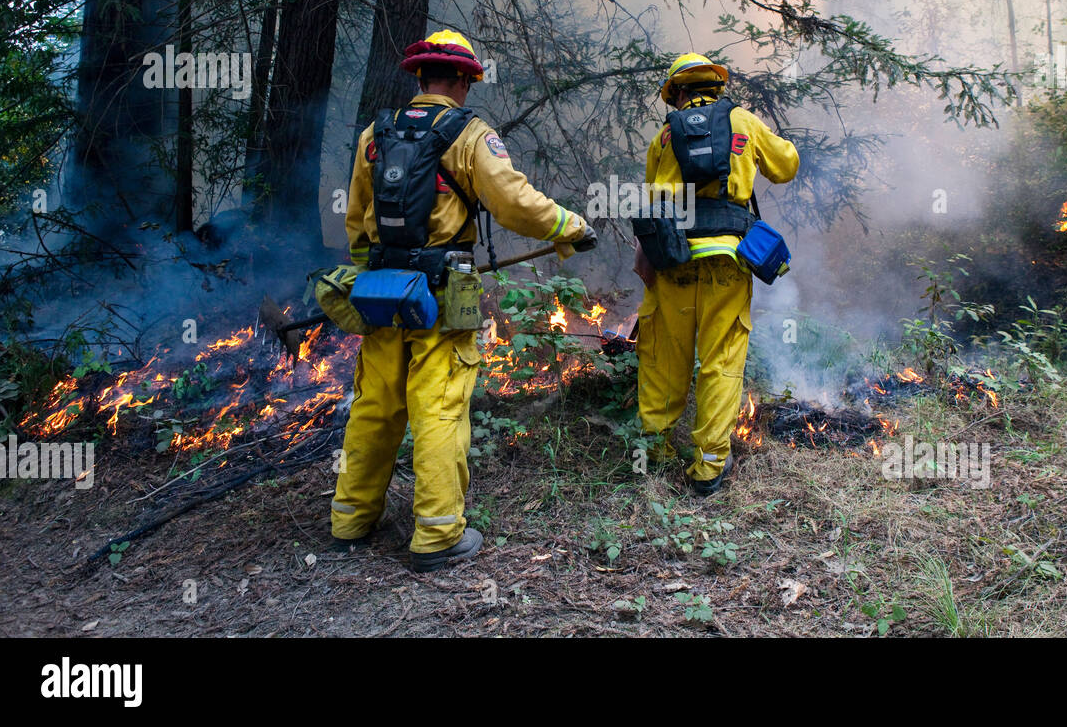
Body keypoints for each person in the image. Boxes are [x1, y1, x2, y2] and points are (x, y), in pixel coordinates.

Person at [331, 29, 595, 570]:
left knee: (375, 406)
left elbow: (357, 219)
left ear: (420, 77)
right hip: (446, 294)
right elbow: (514, 203)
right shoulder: (469, 133)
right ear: (464, 81)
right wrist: (569, 224)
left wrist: (370, 280)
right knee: (440, 408)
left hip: (381, 293)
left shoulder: (373, 134)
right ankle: (436, 536)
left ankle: (351, 521)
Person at [634, 53, 798, 495]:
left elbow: (652, 203)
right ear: (716, 87)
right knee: (720, 357)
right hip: (728, 260)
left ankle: (656, 449)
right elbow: (786, 166)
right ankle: (708, 466)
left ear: (677, 93)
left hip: (675, 259)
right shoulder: (743, 120)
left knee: (666, 353)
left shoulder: (665, 135)